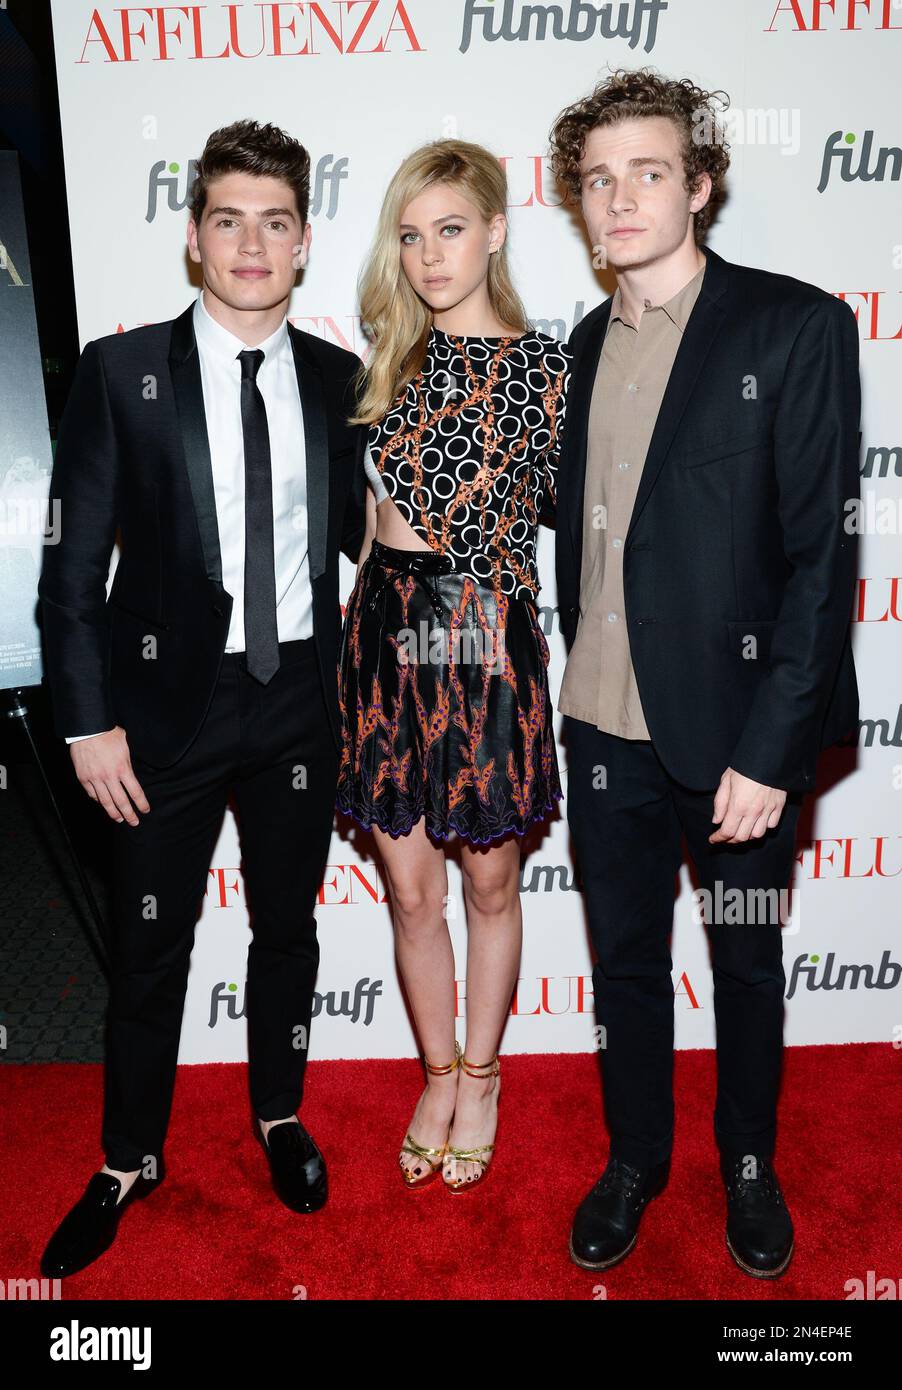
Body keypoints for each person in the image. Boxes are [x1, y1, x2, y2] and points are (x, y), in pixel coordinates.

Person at [38, 119, 367, 1278]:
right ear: (193, 238)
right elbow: (71, 571)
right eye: (228, 218)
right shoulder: (120, 373)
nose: (251, 242)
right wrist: (86, 721)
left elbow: (372, 547)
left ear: (302, 242)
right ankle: (129, 1153)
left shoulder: (339, 380)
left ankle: (277, 1110)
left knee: (287, 927)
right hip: (159, 716)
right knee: (149, 947)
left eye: (274, 221)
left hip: (295, 705)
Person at [548, 69, 860, 1277]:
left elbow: (818, 558)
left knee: (742, 961)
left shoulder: (790, 326)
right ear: (577, 204)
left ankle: (745, 1166)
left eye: (646, 172)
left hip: (734, 741)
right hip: (602, 725)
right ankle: (636, 1159)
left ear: (700, 184)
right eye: (596, 179)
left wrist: (771, 750)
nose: (619, 198)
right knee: (623, 964)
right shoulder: (580, 347)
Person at [337, 139, 570, 1192]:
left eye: (450, 229)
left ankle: (483, 1075)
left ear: (494, 231)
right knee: (409, 890)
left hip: (478, 632)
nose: (430, 256)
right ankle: (434, 1070)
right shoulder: (386, 355)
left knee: (485, 881)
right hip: (382, 628)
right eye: (410, 234)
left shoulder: (546, 367)